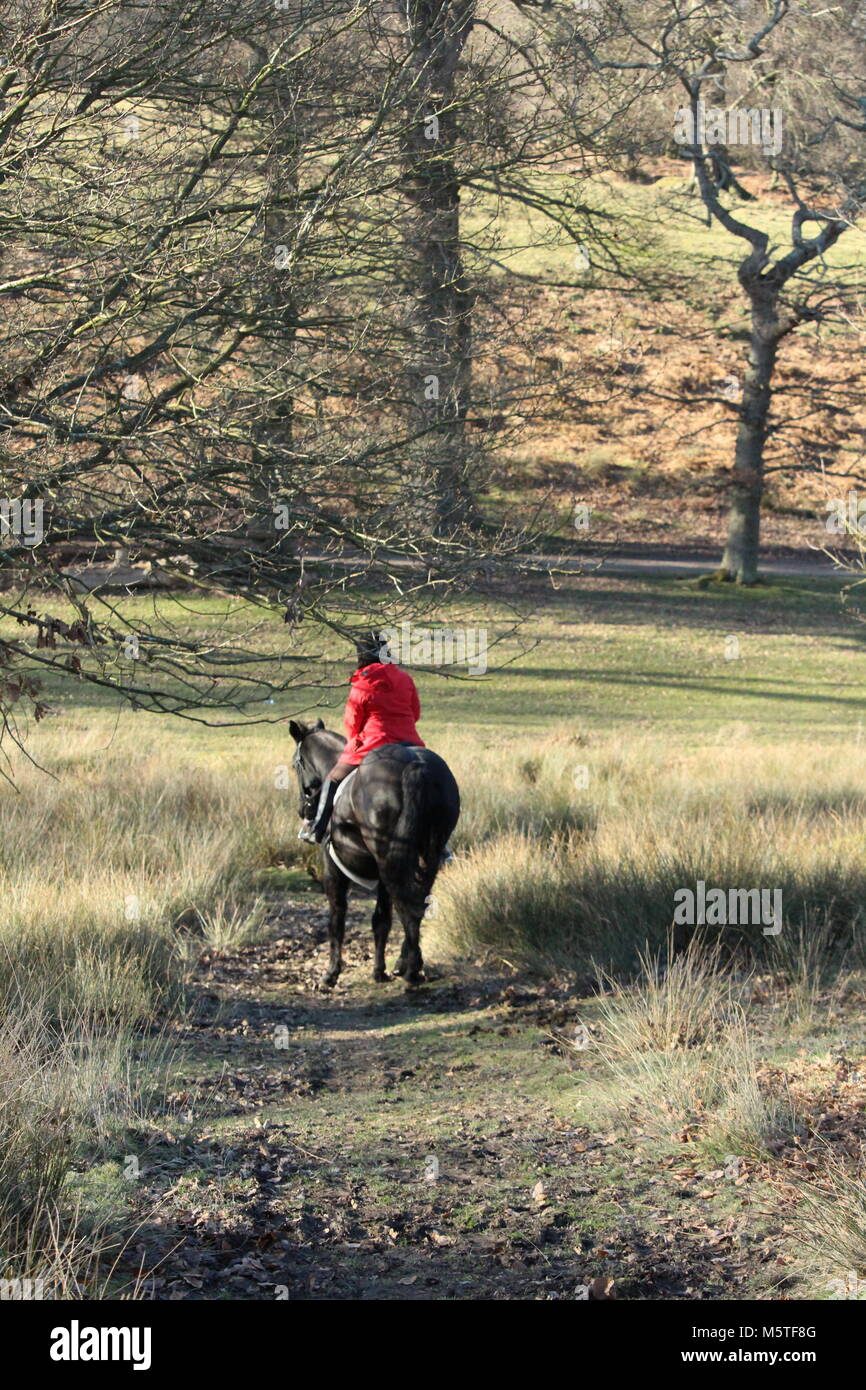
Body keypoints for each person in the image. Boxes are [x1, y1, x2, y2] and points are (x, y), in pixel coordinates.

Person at [298, 630, 425, 844]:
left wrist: (356, 741)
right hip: (410, 743)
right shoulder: (405, 678)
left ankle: (316, 829)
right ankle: (443, 846)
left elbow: (352, 723)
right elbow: (416, 714)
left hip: (373, 743)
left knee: (333, 778)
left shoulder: (362, 683)